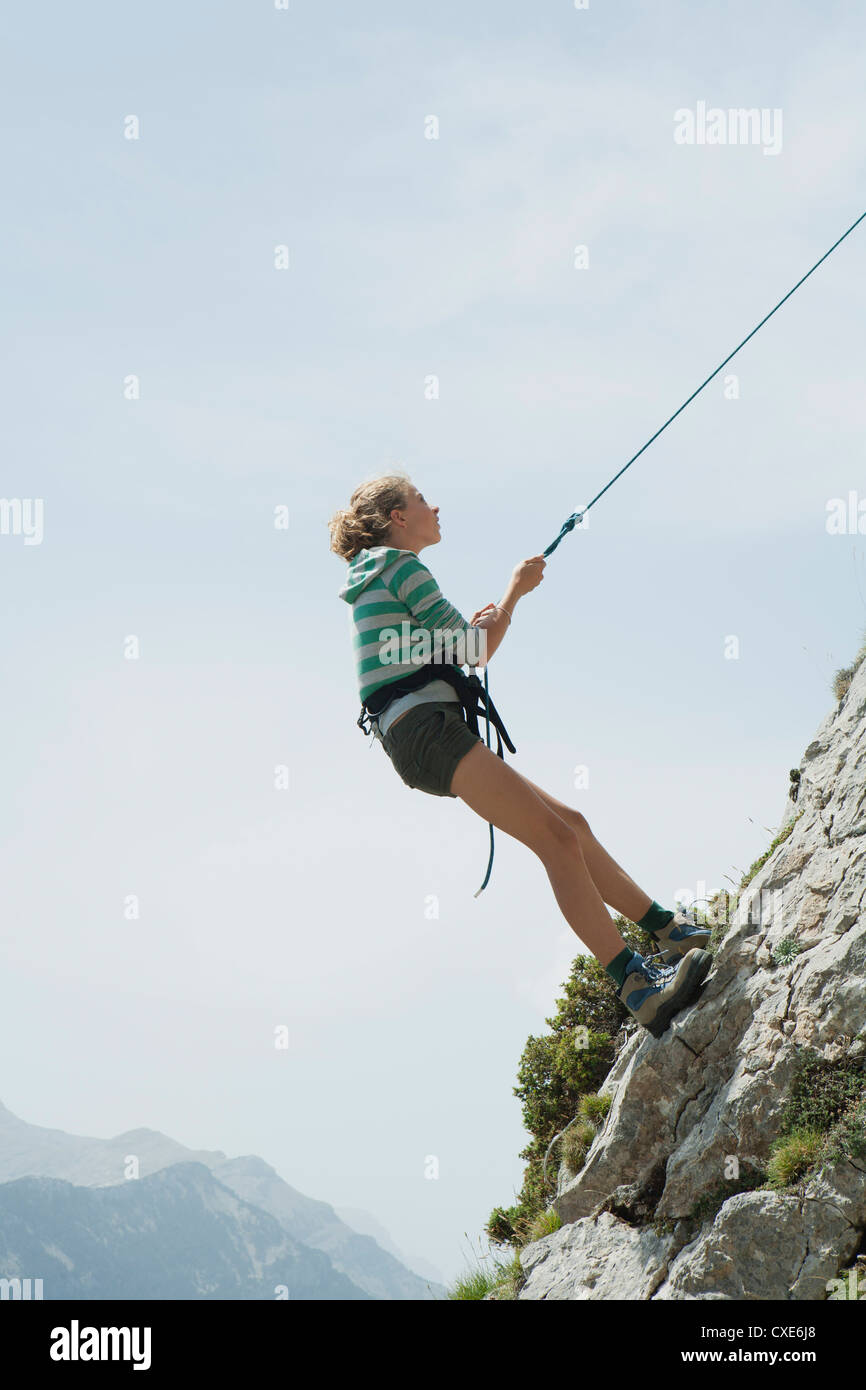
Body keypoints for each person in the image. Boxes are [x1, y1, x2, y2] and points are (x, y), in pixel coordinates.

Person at [329, 472, 713, 1038]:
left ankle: (668, 931)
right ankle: (638, 988)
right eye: (420, 500)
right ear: (398, 519)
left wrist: (482, 625)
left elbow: (444, 646)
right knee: (555, 840)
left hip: (418, 733)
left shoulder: (375, 576)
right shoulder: (402, 567)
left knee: (571, 825)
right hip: (426, 728)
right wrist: (515, 591)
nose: (436, 506)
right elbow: (475, 650)